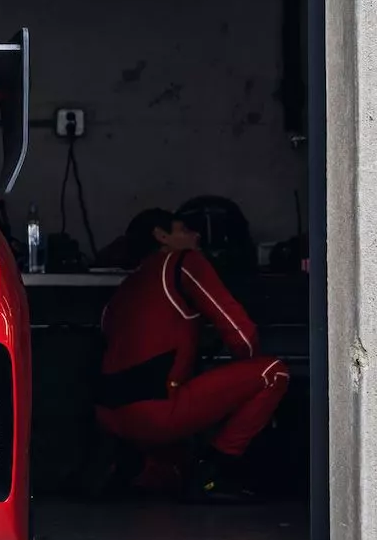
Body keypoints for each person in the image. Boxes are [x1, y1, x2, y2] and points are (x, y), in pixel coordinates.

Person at [95, 206, 290, 497]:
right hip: (156, 413)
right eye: (184, 229)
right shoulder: (182, 262)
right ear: (161, 236)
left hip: (108, 418)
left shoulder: (122, 289)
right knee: (273, 373)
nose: (196, 234)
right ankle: (216, 470)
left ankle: (140, 468)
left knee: (173, 468)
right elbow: (242, 335)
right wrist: (243, 392)